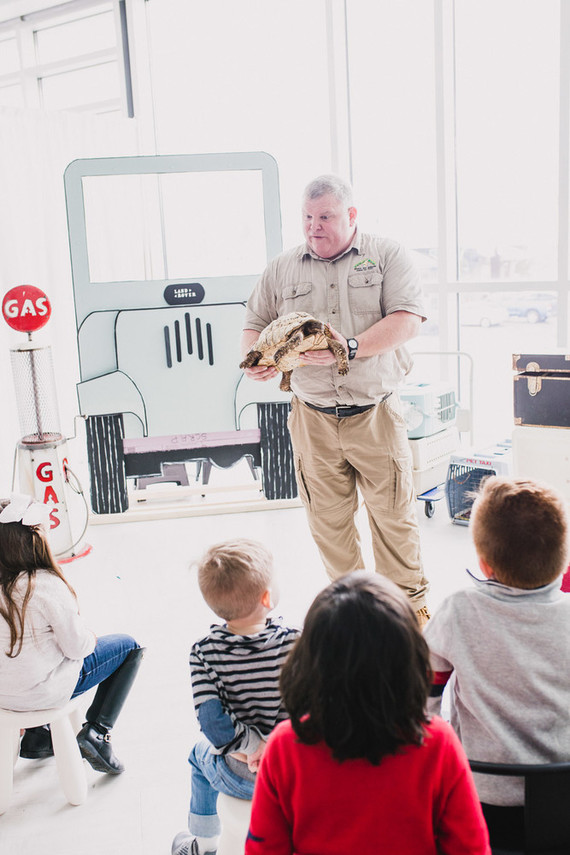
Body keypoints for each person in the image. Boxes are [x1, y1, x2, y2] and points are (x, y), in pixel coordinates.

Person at [241, 174, 430, 625]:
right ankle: (355, 619)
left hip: (376, 414)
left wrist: (351, 346)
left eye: (324, 217)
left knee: (395, 522)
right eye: (307, 218)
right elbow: (255, 322)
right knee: (329, 526)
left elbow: (408, 320)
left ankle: (409, 623)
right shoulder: (283, 268)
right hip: (312, 419)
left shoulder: (386, 256)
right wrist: (258, 360)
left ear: (351, 216)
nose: (314, 227)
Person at [245, 571, 490, 855]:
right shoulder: (437, 744)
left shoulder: (285, 747)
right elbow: (470, 849)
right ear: (410, 661)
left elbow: (263, 851)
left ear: (309, 662)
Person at [424, 476, 570, 850]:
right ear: (562, 561)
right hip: (564, 798)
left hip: (480, 797)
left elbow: (421, 701)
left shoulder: (458, 611)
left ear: (484, 565)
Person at [0, 493, 144, 774]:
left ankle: (37, 736)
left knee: (30, 657)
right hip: (43, 694)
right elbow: (78, 648)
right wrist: (89, 635)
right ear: (37, 541)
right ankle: (97, 733)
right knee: (129, 647)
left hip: (4, 696)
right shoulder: (45, 585)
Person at [172, 539, 300, 855]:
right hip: (295, 773)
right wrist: (275, 747)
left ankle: (203, 845)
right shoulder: (297, 641)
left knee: (198, 756)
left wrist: (254, 748)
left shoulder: (204, 653)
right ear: (268, 597)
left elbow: (212, 721)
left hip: (243, 776)